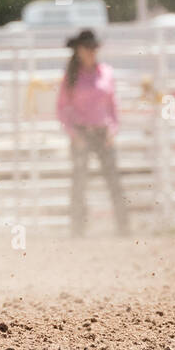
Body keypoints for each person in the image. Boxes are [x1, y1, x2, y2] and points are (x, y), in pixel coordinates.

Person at [56, 29, 128, 236]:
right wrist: (73, 134)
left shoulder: (106, 72)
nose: (91, 52)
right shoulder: (70, 77)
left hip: (103, 133)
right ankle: (77, 230)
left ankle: (124, 228)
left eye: (93, 48)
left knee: (113, 180)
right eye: (88, 48)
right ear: (78, 50)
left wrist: (113, 130)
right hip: (81, 133)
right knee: (79, 182)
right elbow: (62, 109)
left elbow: (113, 105)